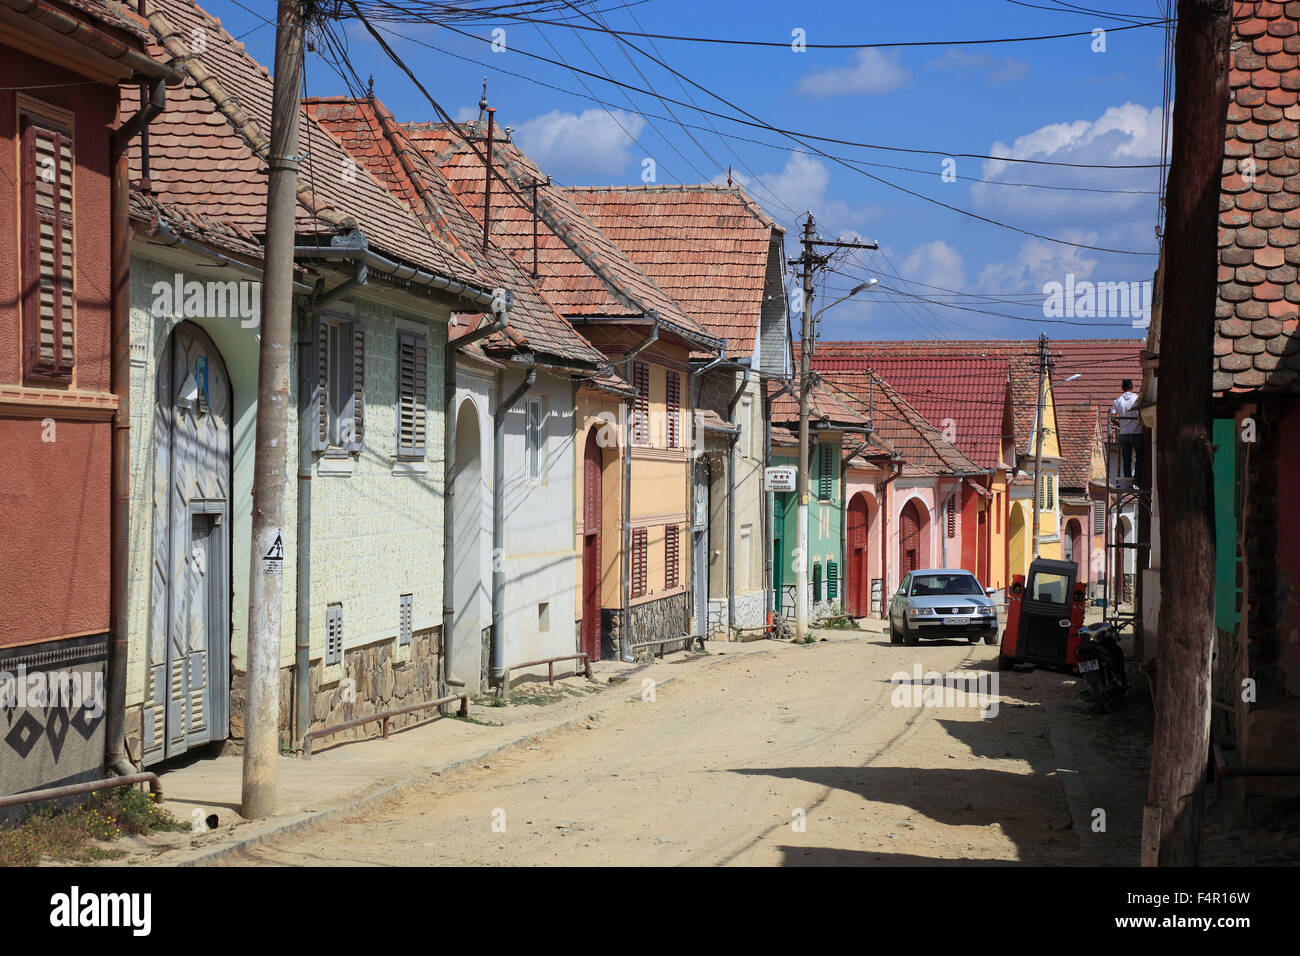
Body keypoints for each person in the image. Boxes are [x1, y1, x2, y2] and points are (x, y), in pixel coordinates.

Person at [1110, 379, 1143, 487]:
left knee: (1126, 458)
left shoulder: (1117, 401)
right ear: (1132, 387)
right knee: (1140, 455)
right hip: (1137, 432)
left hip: (1124, 434)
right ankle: (1137, 478)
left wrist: (1120, 425)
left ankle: (1128, 481)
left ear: (1122, 388)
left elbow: (1113, 418)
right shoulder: (1137, 398)